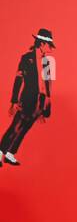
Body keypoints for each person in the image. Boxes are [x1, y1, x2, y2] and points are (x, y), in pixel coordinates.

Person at [1, 29, 54, 169]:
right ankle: (0, 153)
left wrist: (46, 106)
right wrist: (14, 101)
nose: (50, 49)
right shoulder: (26, 58)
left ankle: (10, 153)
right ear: (42, 44)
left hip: (39, 101)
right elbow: (18, 79)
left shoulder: (47, 62)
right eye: (49, 45)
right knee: (15, 126)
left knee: (25, 128)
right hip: (27, 99)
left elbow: (48, 85)